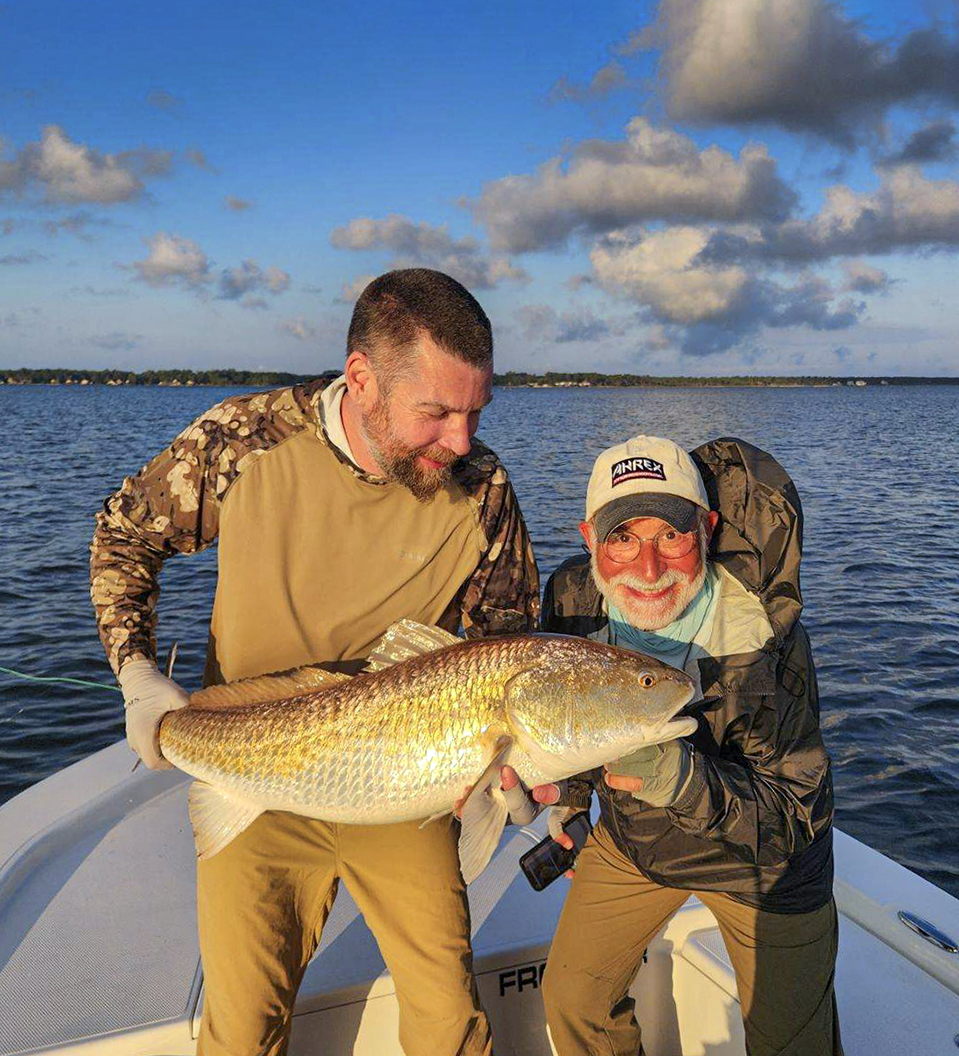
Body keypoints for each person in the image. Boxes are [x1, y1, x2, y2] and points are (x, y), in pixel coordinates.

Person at [89, 268, 540, 1056]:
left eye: (476, 411)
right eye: (435, 412)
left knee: (450, 1024)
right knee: (241, 1033)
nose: (462, 441)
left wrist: (523, 772)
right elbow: (125, 535)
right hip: (254, 767)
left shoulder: (483, 489)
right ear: (361, 379)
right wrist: (136, 675)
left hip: (409, 777)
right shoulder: (244, 440)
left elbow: (503, 649)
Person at [516, 434, 841, 1056]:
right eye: (622, 538)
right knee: (571, 999)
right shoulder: (574, 601)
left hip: (764, 865)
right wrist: (567, 797)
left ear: (707, 527)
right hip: (637, 842)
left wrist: (686, 783)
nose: (647, 568)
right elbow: (567, 720)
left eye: (670, 535)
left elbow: (797, 813)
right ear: (589, 540)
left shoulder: (767, 636)